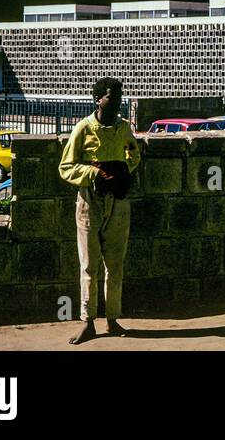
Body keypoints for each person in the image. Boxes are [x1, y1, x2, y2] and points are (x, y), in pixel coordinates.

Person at [59, 77, 142, 345]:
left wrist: (123, 172)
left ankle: (112, 318)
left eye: (118, 96)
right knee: (89, 265)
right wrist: (93, 172)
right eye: (110, 96)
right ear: (98, 99)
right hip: (90, 202)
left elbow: (134, 154)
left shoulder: (124, 128)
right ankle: (88, 321)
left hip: (117, 200)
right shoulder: (83, 129)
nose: (116, 101)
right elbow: (66, 166)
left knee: (115, 263)